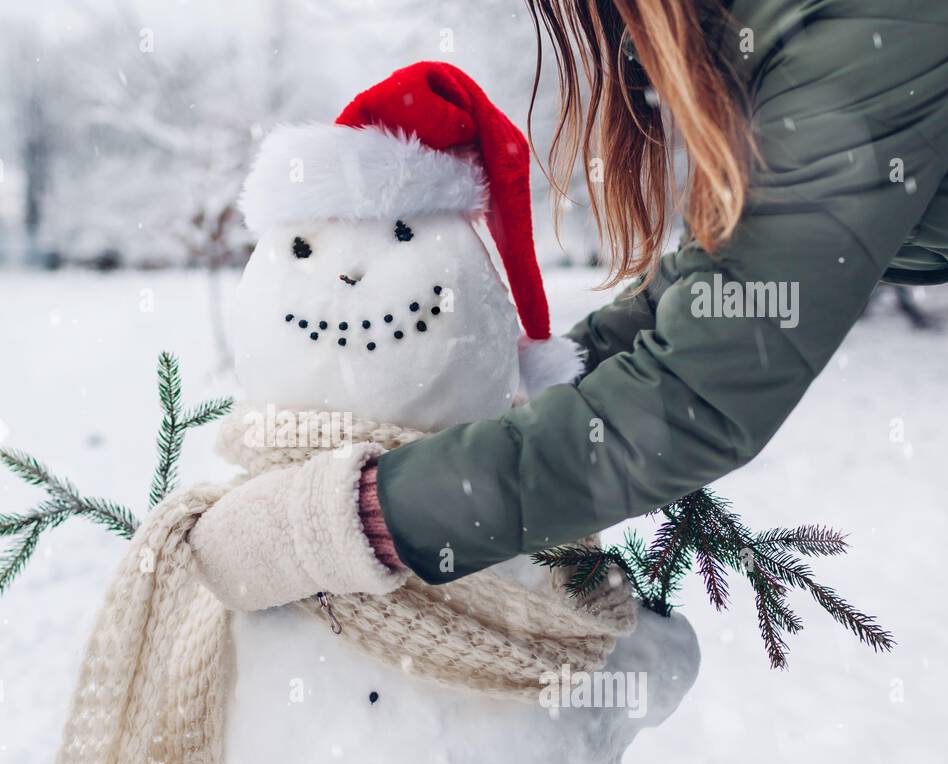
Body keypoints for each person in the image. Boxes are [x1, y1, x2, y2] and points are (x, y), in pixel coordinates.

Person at [190, 0, 948, 606]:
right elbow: (707, 285)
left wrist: (352, 521)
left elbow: (696, 394)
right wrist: (517, 389)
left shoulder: (859, 27)